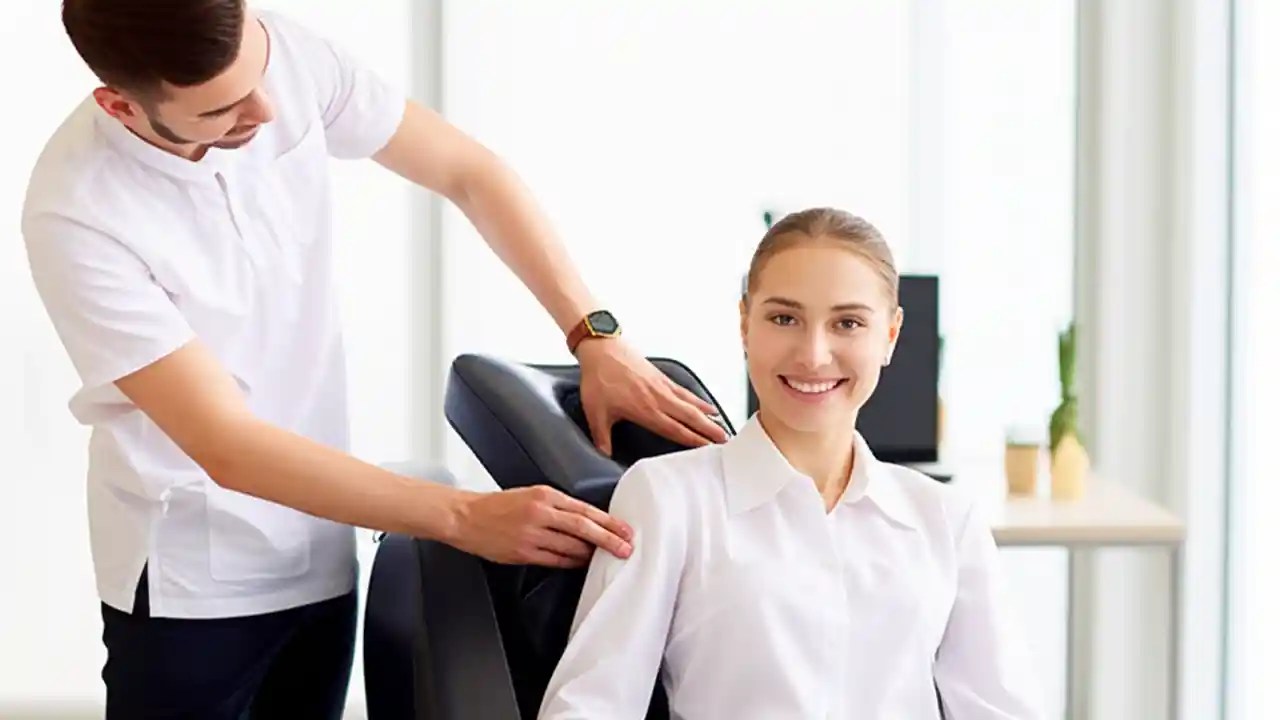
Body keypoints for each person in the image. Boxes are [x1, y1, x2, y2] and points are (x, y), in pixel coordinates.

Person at [21, 2, 728, 718]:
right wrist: (463, 516)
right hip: (194, 580)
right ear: (120, 105)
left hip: (324, 542)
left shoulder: (283, 57)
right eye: (224, 111)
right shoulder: (78, 211)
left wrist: (594, 334)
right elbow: (227, 446)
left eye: (257, 75)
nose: (265, 109)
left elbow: (469, 171)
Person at [538, 208, 1045, 719]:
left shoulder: (945, 520)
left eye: (847, 323)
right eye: (785, 319)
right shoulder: (669, 498)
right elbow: (590, 707)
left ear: (890, 336)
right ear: (744, 325)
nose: (813, 355)